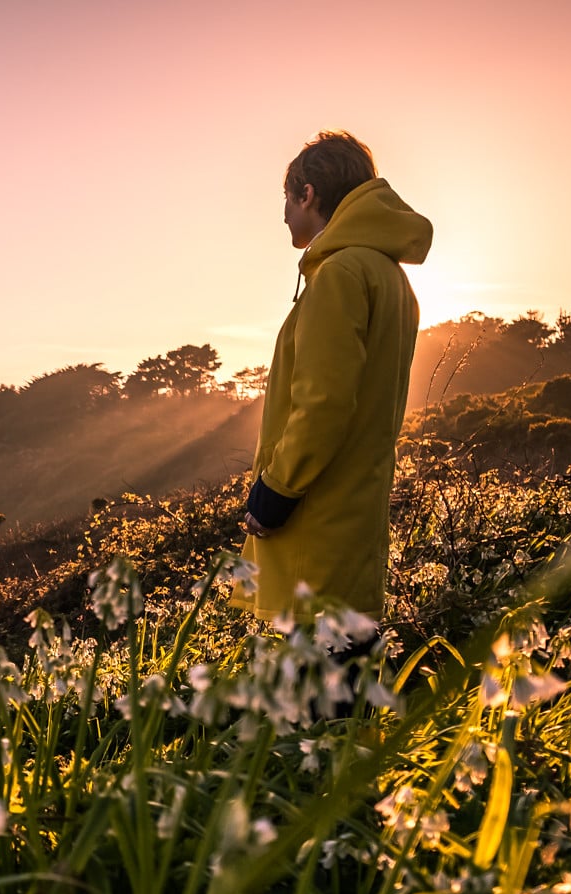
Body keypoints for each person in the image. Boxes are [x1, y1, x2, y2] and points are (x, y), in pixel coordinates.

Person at [237, 131, 432, 652]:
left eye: (286, 198)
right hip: (355, 519)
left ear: (308, 194)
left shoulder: (340, 273)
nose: (282, 214)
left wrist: (275, 491)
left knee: (317, 714)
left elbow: (323, 403)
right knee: (352, 701)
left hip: (315, 526)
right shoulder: (387, 275)